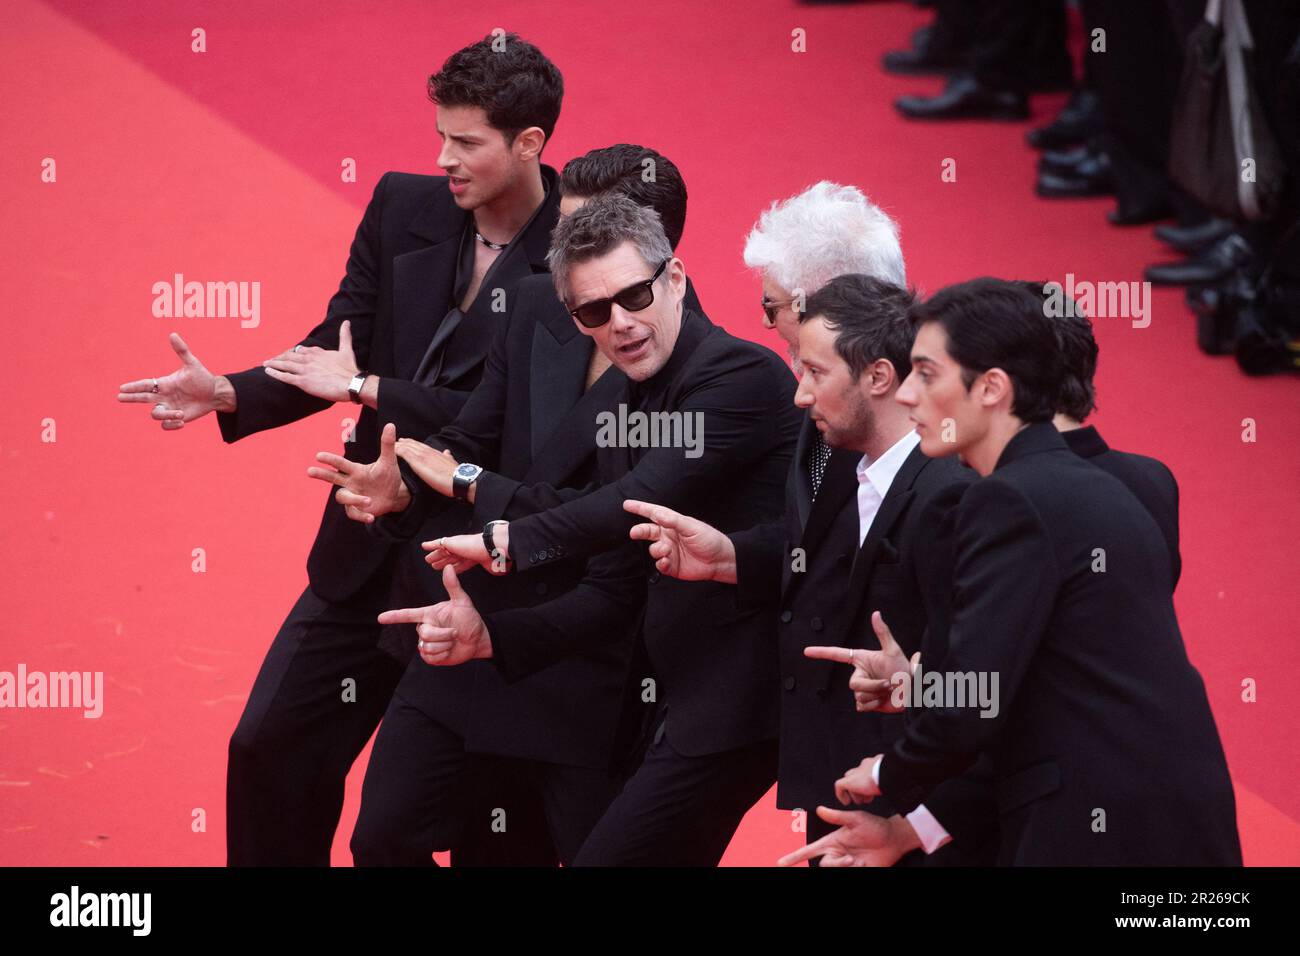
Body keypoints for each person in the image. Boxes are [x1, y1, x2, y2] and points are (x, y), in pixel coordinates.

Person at [115, 32, 564, 865]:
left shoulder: (579, 253)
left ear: (529, 143)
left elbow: (518, 415)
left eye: (466, 143)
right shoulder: (405, 205)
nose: (444, 159)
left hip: (485, 573)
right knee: (268, 751)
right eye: (439, 134)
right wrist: (233, 390)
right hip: (363, 540)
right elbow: (337, 348)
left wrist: (373, 394)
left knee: (461, 826)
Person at [312, 145, 696, 866]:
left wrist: (469, 484)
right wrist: (404, 490)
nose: (560, 255)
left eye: (583, 238)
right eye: (561, 233)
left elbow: (607, 517)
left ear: (653, 252)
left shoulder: (701, 371)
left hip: (587, 664)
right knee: (382, 836)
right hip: (472, 628)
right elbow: (471, 434)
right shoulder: (532, 303)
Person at [788, 278, 1241, 866]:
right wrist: (926, 682)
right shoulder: (1097, 486)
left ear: (991, 389)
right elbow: (1042, 679)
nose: (906, 396)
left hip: (1099, 832)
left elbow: (980, 700)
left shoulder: (1008, 501)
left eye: (926, 374)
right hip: (1174, 823)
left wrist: (887, 769)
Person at [408, 195, 803, 865]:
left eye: (636, 295)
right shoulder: (625, 400)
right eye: (595, 311)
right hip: (670, 698)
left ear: (675, 279)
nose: (621, 323)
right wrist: (491, 637)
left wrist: (501, 534)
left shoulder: (738, 375)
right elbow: (612, 587)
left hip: (746, 697)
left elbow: (634, 501)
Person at [626, 274, 995, 866]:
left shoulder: (949, 493)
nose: (799, 396)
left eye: (816, 374)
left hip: (916, 815)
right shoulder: (861, 474)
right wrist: (728, 558)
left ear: (877, 377)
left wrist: (916, 826)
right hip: (846, 786)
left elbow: (987, 683)